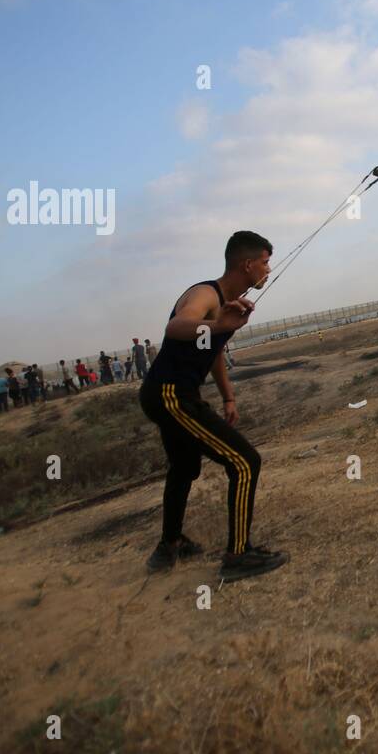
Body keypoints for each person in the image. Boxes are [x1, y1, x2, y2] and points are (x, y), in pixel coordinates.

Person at [139, 230, 284, 581]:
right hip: (170, 394)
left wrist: (228, 396)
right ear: (247, 264)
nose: (268, 269)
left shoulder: (229, 303)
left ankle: (169, 546)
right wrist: (217, 323)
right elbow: (178, 326)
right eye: (265, 262)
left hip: (170, 394)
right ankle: (237, 556)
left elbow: (213, 350)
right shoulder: (205, 293)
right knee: (246, 461)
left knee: (184, 468)